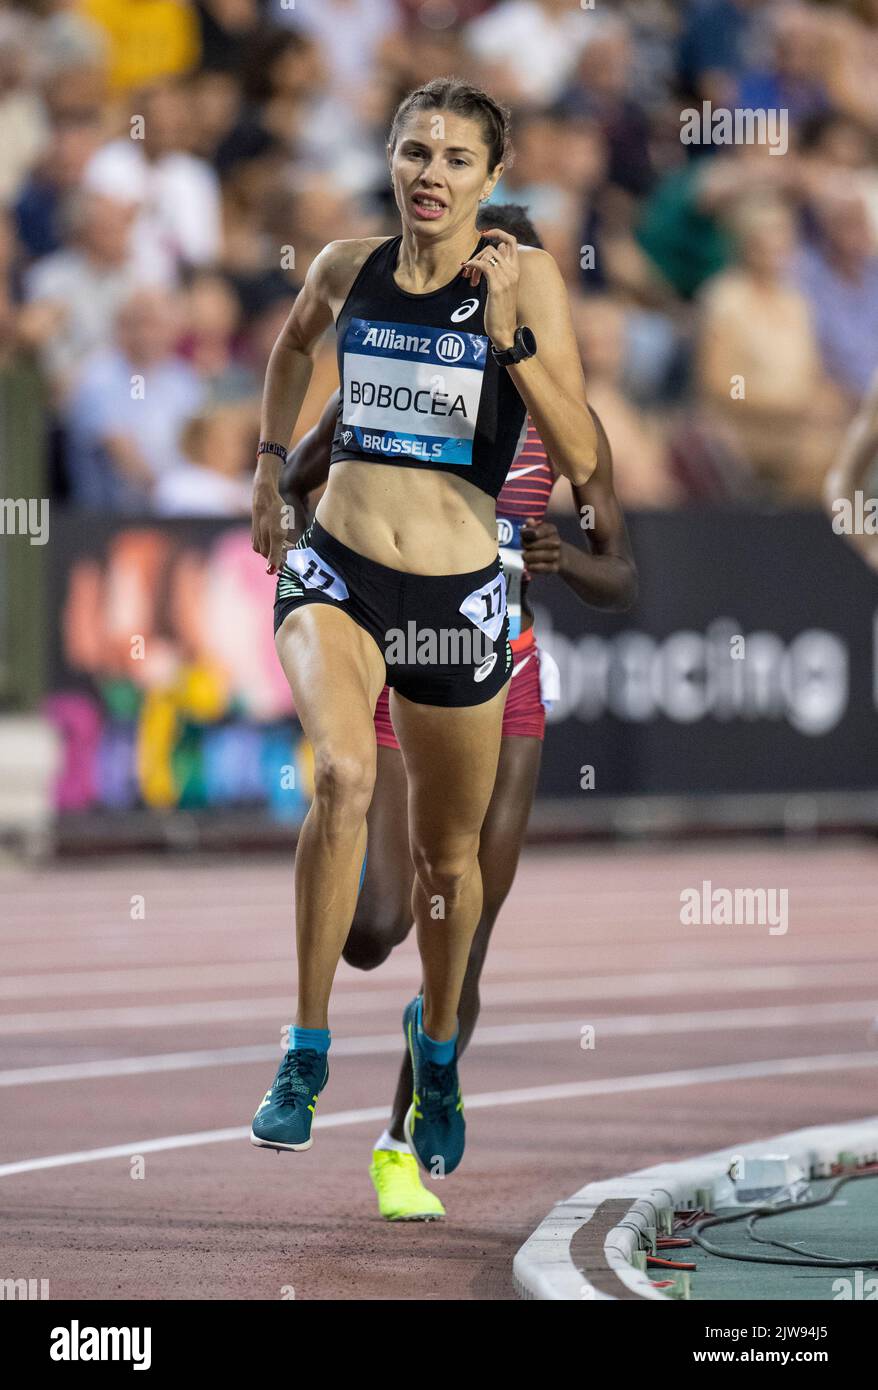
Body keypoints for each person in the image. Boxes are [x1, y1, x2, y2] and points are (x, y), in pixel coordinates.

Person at [249, 78, 599, 1181]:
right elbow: (293, 349)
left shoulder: (525, 275)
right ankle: (304, 1053)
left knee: (446, 858)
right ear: (390, 162)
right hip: (340, 572)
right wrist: (270, 468)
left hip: (455, 604)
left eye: (454, 159)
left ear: (491, 180)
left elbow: (583, 458)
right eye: (413, 152)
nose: (429, 174)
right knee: (342, 777)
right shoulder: (343, 266)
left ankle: (435, 1048)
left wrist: (510, 335)